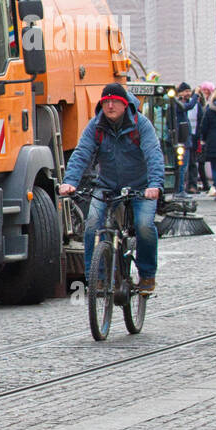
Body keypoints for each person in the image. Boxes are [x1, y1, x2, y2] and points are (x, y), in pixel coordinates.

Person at [59, 82, 165, 294]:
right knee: (91, 224)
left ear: (125, 105)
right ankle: (95, 278)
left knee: (144, 226)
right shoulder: (96, 125)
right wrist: (70, 181)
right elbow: (82, 153)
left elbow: (153, 154)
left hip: (140, 186)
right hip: (107, 185)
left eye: (115, 102)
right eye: (106, 102)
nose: (110, 107)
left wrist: (155, 185)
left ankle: (146, 275)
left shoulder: (140, 125)